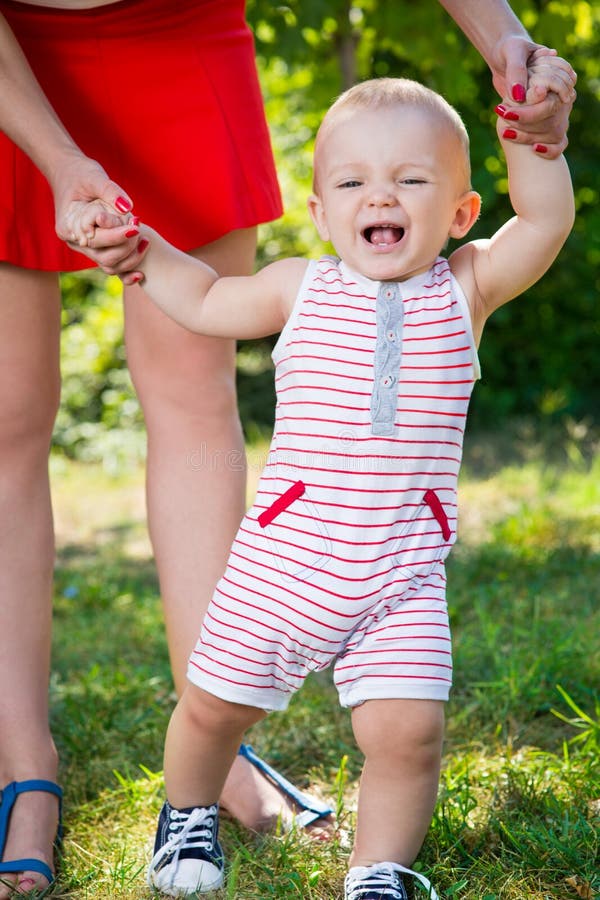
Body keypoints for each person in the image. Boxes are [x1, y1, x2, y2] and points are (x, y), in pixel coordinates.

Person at [0, 0, 576, 896]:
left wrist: (531, 137)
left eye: (411, 182)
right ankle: (186, 815)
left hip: (402, 575)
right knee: (210, 708)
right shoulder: (296, 290)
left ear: (463, 211)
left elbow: (542, 224)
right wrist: (142, 250)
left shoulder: (466, 289)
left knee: (409, 734)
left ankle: (378, 871)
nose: (380, 197)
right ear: (316, 209)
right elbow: (197, 300)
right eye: (352, 185)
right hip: (284, 565)